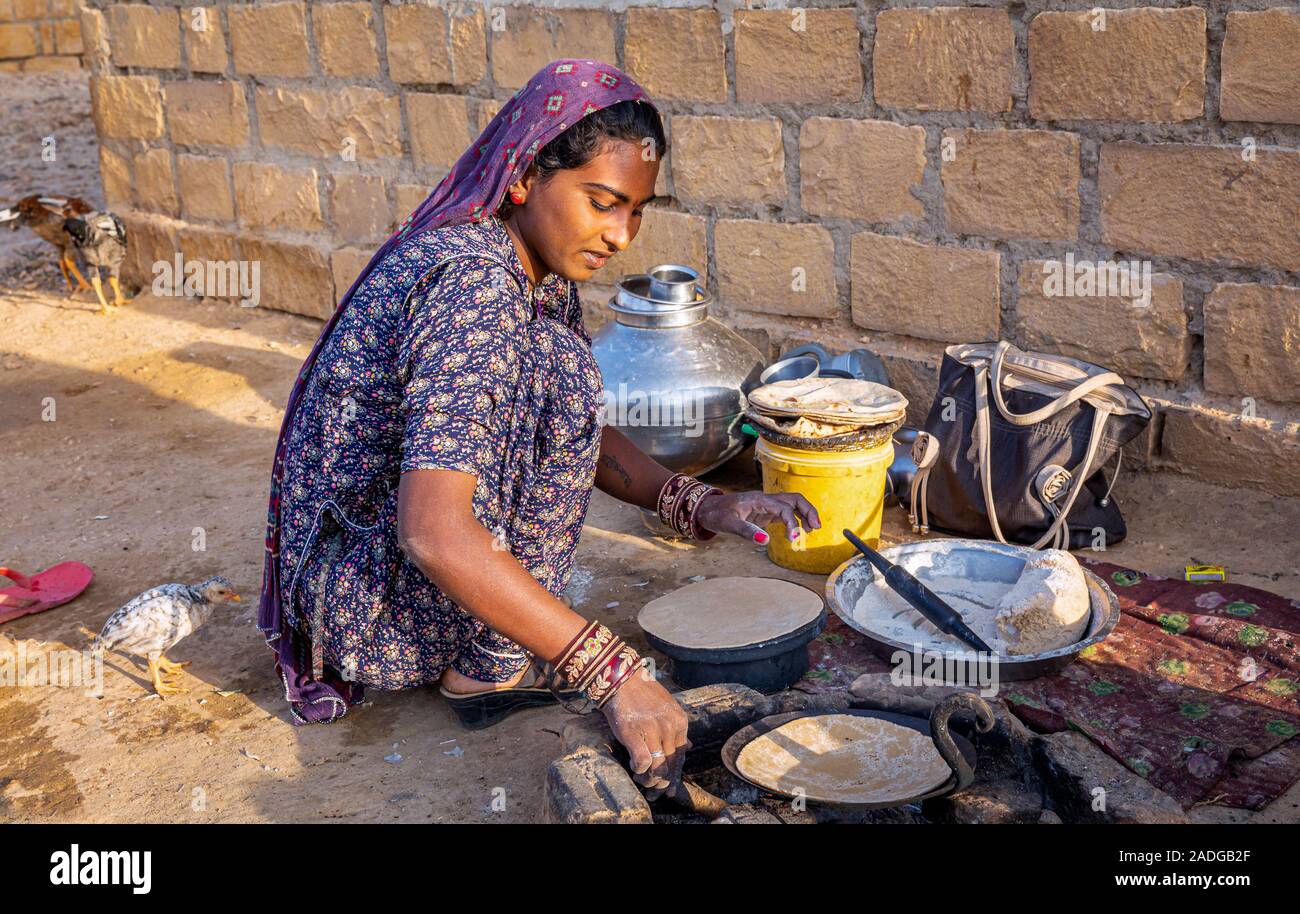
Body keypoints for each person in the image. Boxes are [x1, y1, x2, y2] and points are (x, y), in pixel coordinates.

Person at [257, 59, 820, 795]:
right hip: (369, 603)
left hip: (382, 570)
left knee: (559, 370)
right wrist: (612, 673)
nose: (622, 234)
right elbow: (430, 531)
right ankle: (484, 666)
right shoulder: (475, 285)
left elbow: (578, 431)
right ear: (524, 178)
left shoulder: (526, 266)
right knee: (557, 369)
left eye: (636, 211)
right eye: (602, 202)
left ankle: (491, 648)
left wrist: (704, 503)